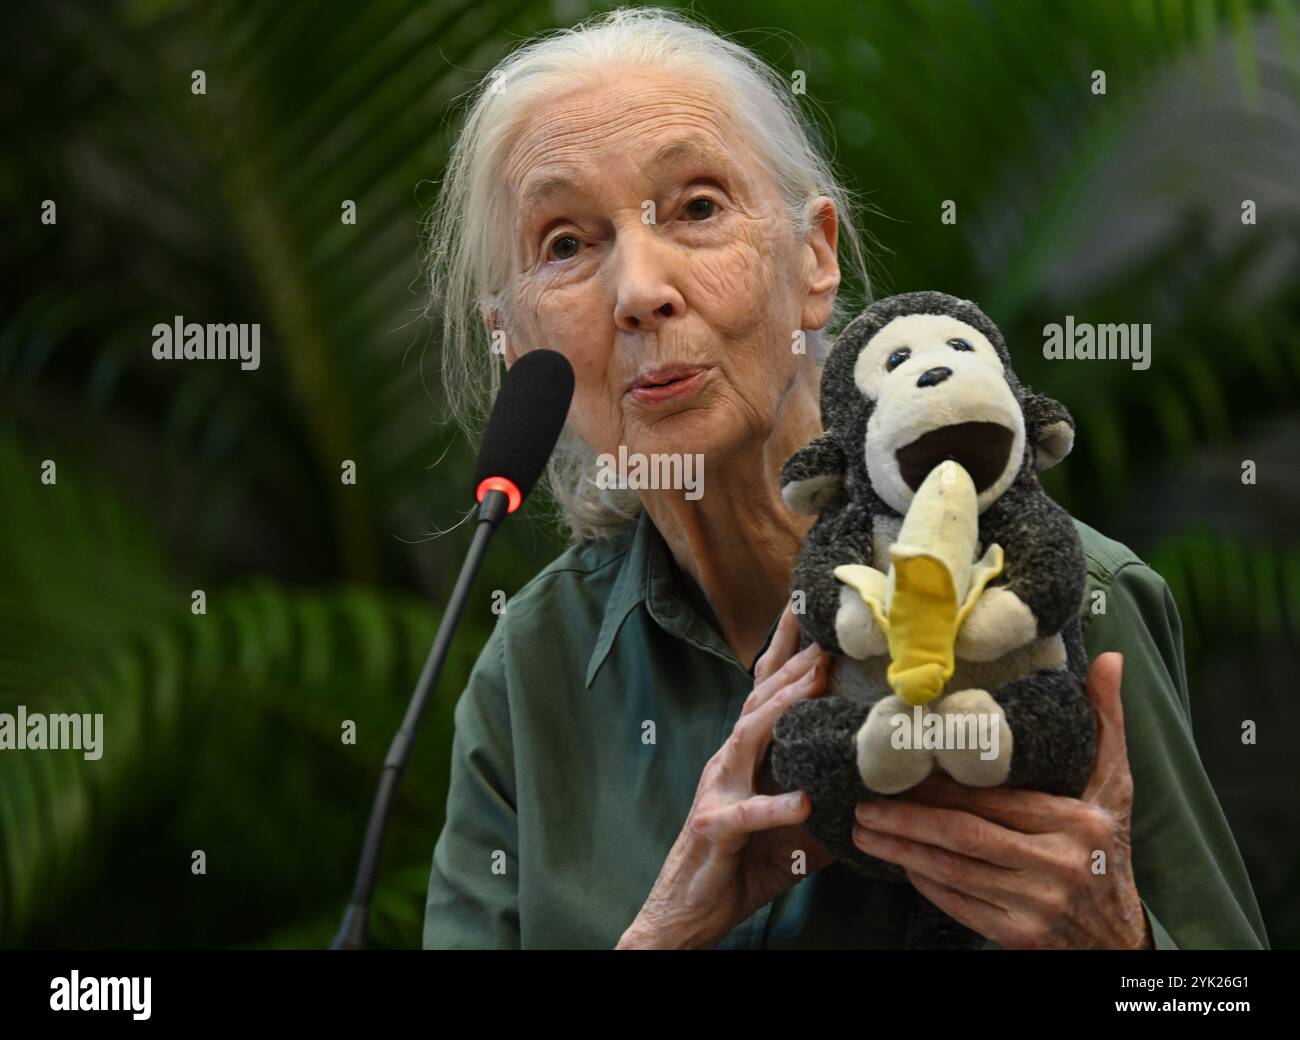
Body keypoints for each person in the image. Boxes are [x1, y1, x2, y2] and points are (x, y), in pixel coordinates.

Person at [420, 7, 1268, 950]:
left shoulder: (1061, 594)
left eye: (698, 207)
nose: (638, 292)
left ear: (815, 257)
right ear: (513, 341)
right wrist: (662, 934)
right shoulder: (529, 670)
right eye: (566, 245)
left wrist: (1119, 946)